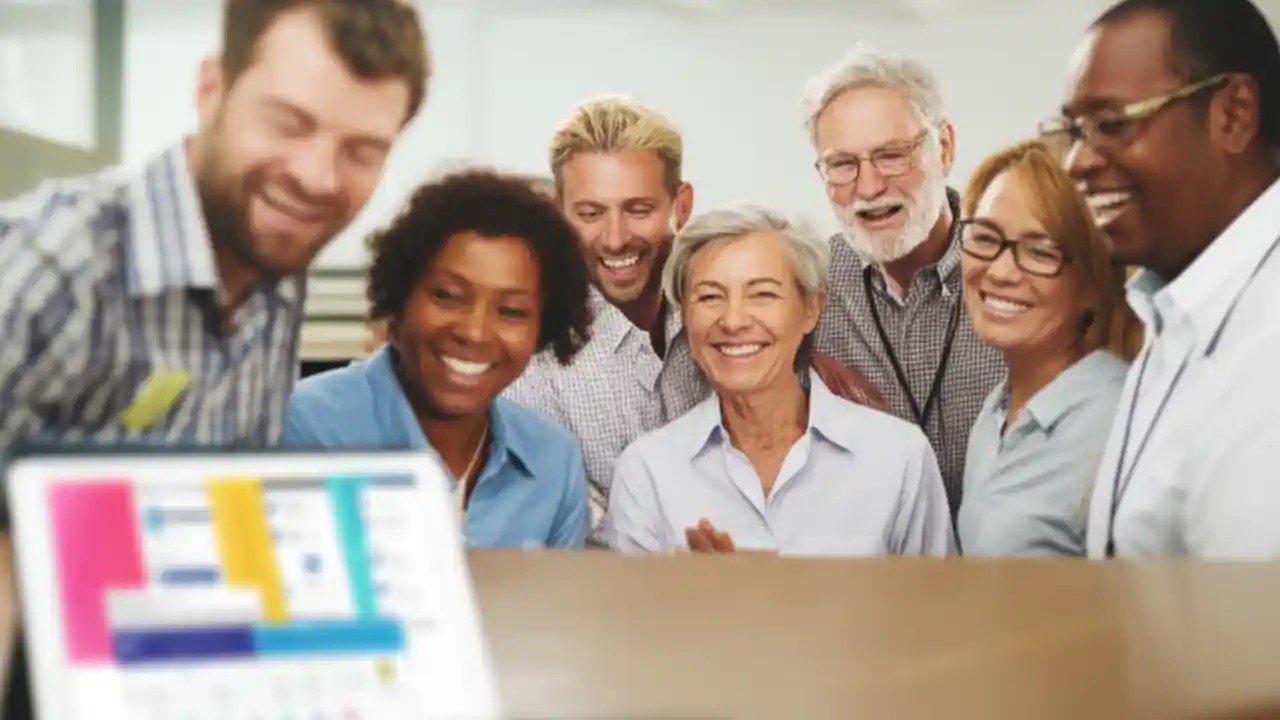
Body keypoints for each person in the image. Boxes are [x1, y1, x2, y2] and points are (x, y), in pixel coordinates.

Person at [0, 0, 429, 452]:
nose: (317, 178)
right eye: (288, 124)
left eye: (362, 152)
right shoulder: (53, 266)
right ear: (211, 89)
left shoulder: (274, 265)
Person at [505, 96, 882, 538]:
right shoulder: (531, 361)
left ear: (681, 205)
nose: (615, 238)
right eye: (590, 213)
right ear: (560, 212)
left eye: (638, 209)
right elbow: (566, 531)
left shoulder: (734, 324)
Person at [1041, 0, 1280, 558]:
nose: (1076, 160)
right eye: (1072, 130)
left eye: (1112, 125)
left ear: (1234, 114)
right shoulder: (1176, 308)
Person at [605, 206, 954, 556]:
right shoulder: (647, 471)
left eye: (763, 294)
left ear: (811, 309)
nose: (733, 320)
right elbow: (629, 611)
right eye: (710, 296)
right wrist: (693, 598)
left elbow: (941, 607)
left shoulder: (898, 457)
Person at [282, 171, 593, 549]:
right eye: (447, 296)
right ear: (399, 299)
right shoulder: (307, 428)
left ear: (544, 328)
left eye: (511, 311)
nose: (475, 332)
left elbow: (561, 607)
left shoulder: (553, 462)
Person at [802, 47, 1005, 517]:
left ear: (946, 148)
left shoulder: (1014, 272)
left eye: (892, 156)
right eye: (842, 164)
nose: (869, 187)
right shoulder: (809, 285)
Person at [955, 140, 1142, 557]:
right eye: (986, 238)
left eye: (1040, 251)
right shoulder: (995, 414)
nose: (1001, 271)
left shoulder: (1120, 422)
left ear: (1095, 282)